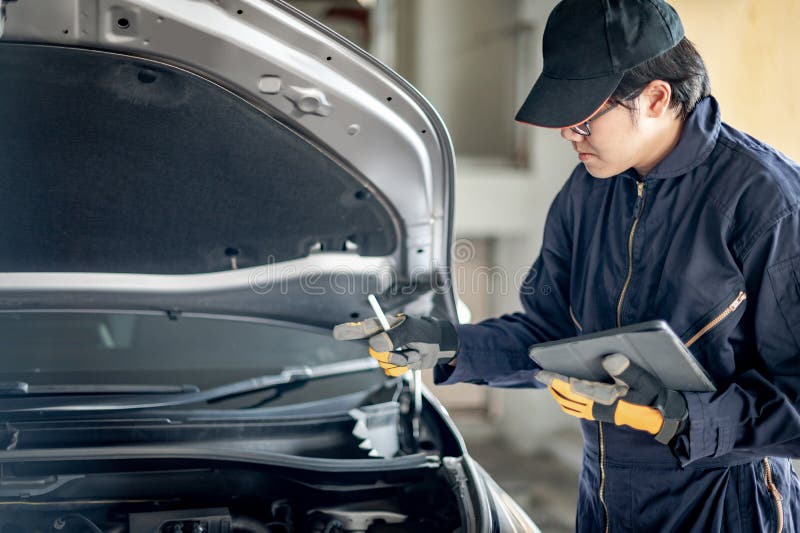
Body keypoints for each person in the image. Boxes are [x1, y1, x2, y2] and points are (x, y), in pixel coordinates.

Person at [333, 0, 800, 530]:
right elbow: (552, 334)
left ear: (655, 97)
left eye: (583, 120)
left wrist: (682, 417)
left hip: (725, 505)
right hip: (603, 495)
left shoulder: (769, 204)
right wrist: (450, 343)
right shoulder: (589, 189)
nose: (566, 134)